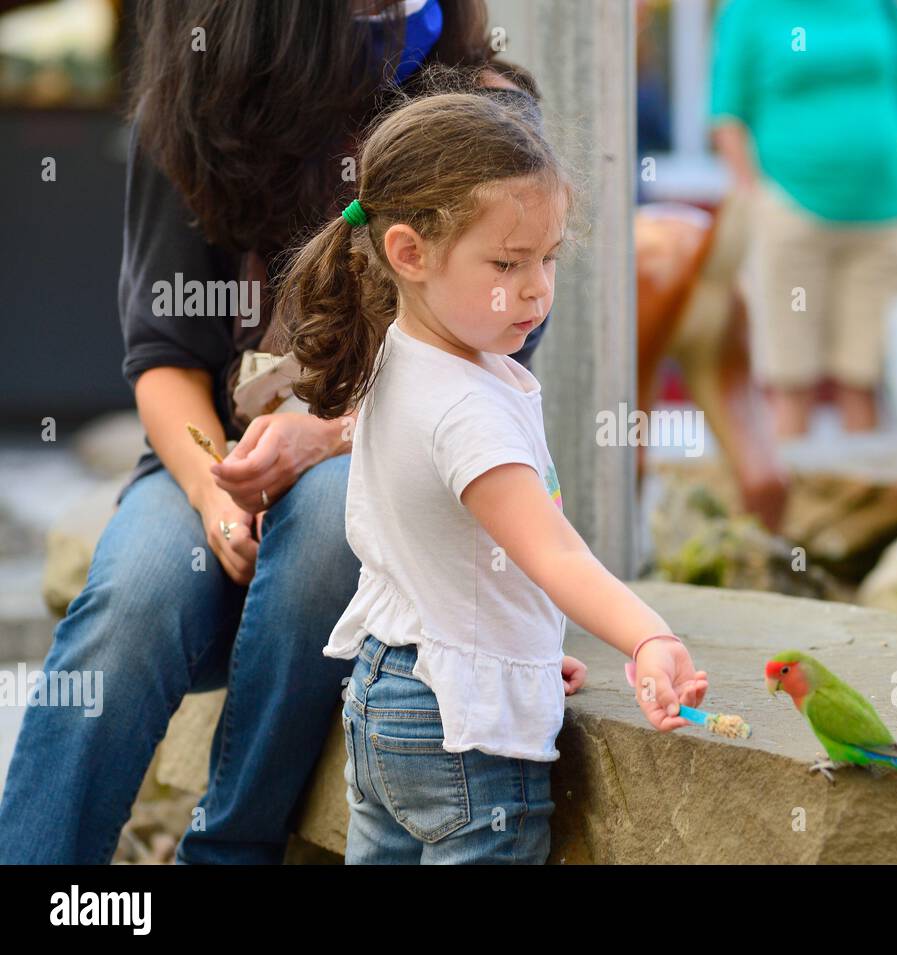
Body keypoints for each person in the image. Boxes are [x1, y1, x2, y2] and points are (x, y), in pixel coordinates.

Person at [0, 0, 572, 865]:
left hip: (385, 465)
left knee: (330, 521)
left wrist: (320, 437)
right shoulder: (198, 99)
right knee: (136, 597)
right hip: (214, 456)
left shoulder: (478, 111)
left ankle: (228, 848)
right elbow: (163, 357)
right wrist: (215, 495)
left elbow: (491, 358)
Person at [277, 91, 709, 864]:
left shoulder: (399, 350)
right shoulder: (468, 410)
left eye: (548, 257)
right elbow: (555, 555)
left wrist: (524, 647)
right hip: (458, 732)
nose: (538, 287)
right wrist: (647, 636)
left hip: (387, 690)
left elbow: (446, 555)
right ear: (410, 253)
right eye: (508, 264)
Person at [709, 0, 897, 438]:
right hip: (791, 213)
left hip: (888, 215)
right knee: (791, 383)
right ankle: (788, 505)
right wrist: (758, 200)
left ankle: (861, 501)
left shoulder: (887, 6)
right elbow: (726, 116)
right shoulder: (748, 10)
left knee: (863, 382)